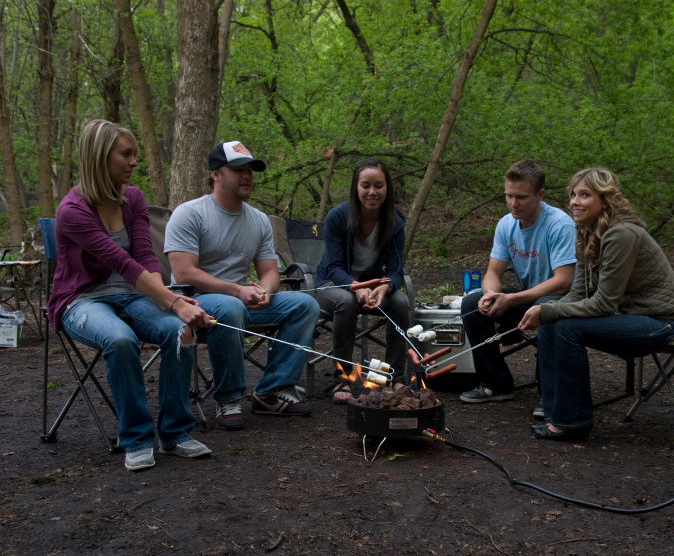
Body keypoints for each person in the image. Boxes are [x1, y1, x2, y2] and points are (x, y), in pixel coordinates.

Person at [47, 119, 213, 471]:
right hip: (81, 300)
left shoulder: (133, 198)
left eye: (136, 153)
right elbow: (118, 260)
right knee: (121, 340)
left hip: (132, 294)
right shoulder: (72, 211)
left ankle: (175, 433)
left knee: (178, 332)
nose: (134, 161)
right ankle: (135, 438)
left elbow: (144, 255)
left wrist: (168, 301)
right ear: (99, 157)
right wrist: (174, 302)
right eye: (126, 154)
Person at [518, 168, 674, 440]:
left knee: (566, 327)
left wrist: (549, 310)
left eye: (585, 195)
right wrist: (547, 310)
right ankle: (556, 414)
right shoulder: (589, 231)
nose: (575, 201)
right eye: (573, 194)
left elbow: (603, 303)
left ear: (605, 199)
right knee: (553, 319)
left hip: (664, 323)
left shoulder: (621, 234)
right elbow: (579, 293)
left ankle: (573, 423)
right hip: (637, 317)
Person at [165, 141, 320, 431]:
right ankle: (228, 397)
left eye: (250, 169)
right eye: (238, 169)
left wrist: (265, 291)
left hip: (239, 303)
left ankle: (271, 392)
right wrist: (237, 291)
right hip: (193, 304)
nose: (246, 175)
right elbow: (183, 273)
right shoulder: (190, 214)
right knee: (230, 306)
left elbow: (270, 272)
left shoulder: (258, 220)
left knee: (305, 304)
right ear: (216, 174)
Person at [459, 159, 576, 411]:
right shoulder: (506, 224)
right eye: (509, 196)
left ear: (540, 194)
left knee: (545, 307)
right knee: (472, 303)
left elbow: (564, 282)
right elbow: (493, 271)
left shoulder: (560, 224)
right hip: (527, 298)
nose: (514, 203)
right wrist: (491, 295)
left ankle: (550, 395)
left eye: (521, 197)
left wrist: (512, 299)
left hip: (564, 300)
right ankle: (496, 384)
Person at [314, 157, 410, 404]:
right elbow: (333, 267)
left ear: (387, 188)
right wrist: (355, 288)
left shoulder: (395, 221)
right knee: (346, 302)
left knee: (400, 301)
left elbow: (397, 269)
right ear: (356, 187)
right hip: (331, 284)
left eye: (379, 185)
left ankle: (394, 377)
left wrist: (385, 286)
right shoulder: (338, 217)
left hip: (371, 285)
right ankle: (342, 380)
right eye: (365, 185)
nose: (372, 192)